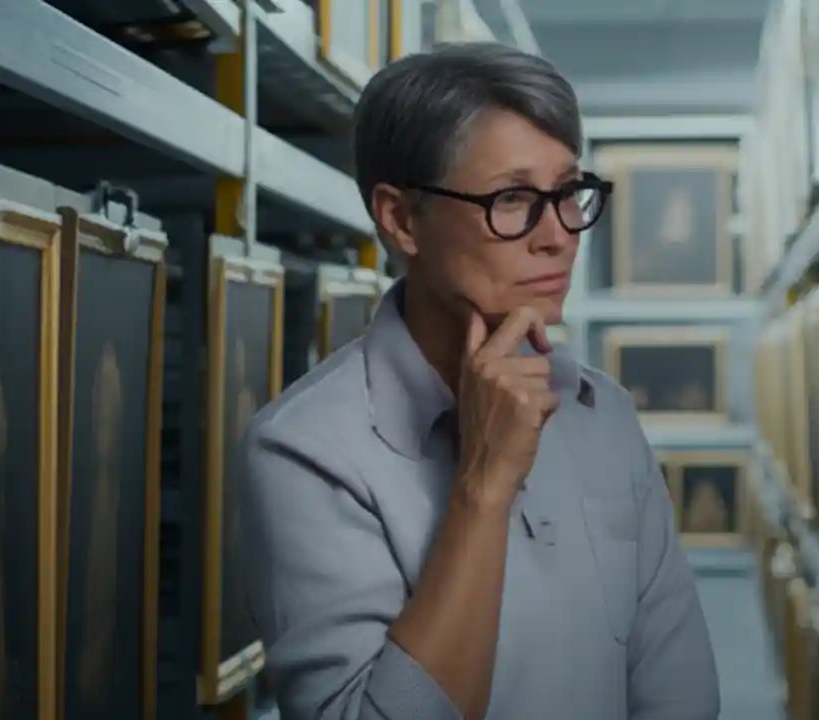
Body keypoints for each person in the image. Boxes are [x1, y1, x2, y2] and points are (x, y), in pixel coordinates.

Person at [239, 42, 720, 720]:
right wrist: (483, 489)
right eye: (514, 198)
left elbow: (683, 696)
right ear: (402, 219)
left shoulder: (603, 412)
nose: (557, 235)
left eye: (569, 193)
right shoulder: (303, 452)